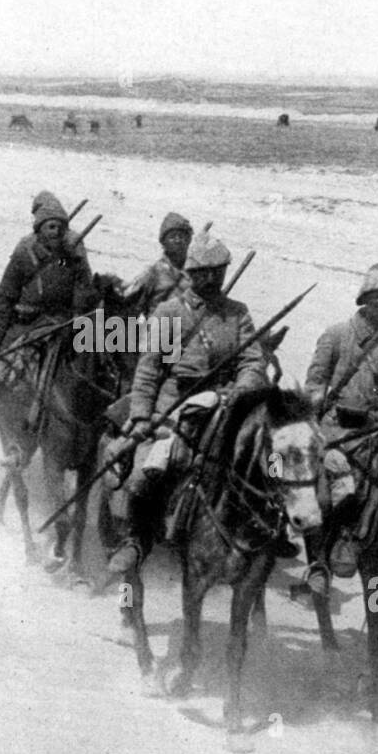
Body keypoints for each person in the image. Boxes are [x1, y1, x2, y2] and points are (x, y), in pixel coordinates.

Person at [105, 233, 266, 574]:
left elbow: (252, 361)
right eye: (203, 272)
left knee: (266, 459)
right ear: (191, 273)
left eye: (217, 271)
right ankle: (136, 538)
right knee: (144, 470)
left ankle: (259, 535)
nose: (211, 278)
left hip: (224, 400)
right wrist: (142, 416)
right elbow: (151, 369)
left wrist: (243, 386)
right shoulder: (171, 313)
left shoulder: (237, 314)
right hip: (175, 400)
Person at [302, 263, 378, 593]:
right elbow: (313, 385)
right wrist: (326, 403)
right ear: (365, 300)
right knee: (337, 490)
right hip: (339, 433)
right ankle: (324, 556)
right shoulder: (337, 335)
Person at [0, 191, 96, 452]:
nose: (55, 231)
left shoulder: (74, 250)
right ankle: (14, 431)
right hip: (29, 327)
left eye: (59, 226)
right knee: (5, 375)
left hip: (66, 325)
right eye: (49, 225)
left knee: (98, 364)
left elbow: (84, 290)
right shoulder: (23, 251)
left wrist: (77, 319)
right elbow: (5, 299)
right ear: (39, 228)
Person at [121, 211, 192, 315]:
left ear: (189, 240)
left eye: (182, 236)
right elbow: (132, 307)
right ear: (163, 242)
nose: (178, 240)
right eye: (172, 237)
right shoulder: (153, 273)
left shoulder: (195, 274)